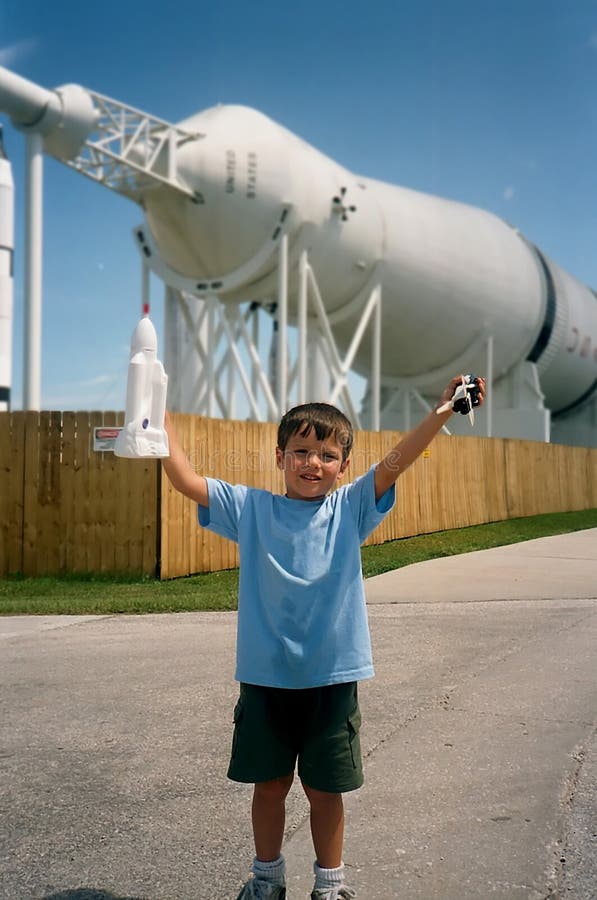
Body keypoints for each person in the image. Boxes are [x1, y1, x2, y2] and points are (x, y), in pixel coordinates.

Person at [162, 375, 486, 900]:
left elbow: (398, 460)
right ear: (279, 457)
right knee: (269, 787)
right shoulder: (250, 509)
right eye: (301, 451)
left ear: (344, 465)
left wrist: (443, 411)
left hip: (331, 680)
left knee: (325, 790)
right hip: (266, 680)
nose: (313, 463)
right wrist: (157, 408)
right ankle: (266, 880)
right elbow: (183, 477)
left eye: (327, 454)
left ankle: (329, 887)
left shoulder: (350, 508)